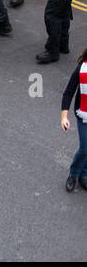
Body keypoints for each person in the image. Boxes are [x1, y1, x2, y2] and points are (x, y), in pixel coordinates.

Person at [60, 44, 87, 193]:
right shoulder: (81, 69)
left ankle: (84, 174)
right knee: (85, 148)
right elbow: (69, 92)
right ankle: (74, 173)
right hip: (84, 114)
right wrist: (64, 116)